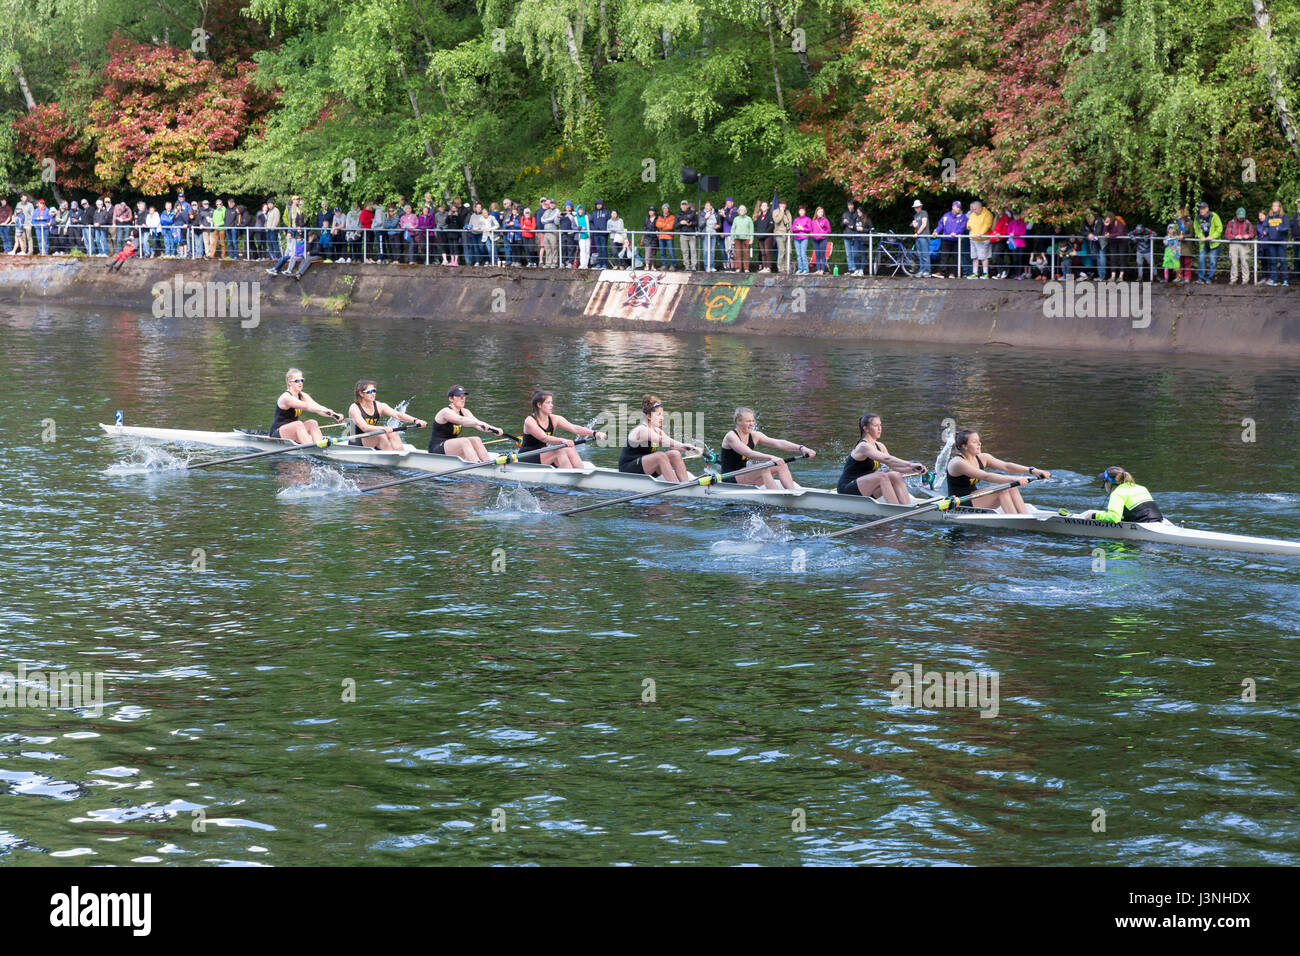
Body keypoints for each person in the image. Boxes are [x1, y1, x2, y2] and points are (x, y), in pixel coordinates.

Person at [945, 429, 1050, 514]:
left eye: (979, 441)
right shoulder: (958, 463)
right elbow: (987, 476)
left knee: (1011, 486)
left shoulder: (983, 457)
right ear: (964, 446)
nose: (979, 443)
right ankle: (1015, 522)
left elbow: (1006, 466)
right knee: (1002, 490)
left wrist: (1033, 470)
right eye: (974, 442)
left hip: (974, 496)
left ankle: (1025, 518)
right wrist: (1016, 478)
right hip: (959, 503)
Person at [836, 412, 925, 504]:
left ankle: (907, 507)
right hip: (847, 489)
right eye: (875, 426)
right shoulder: (863, 446)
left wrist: (914, 469)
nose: (879, 429)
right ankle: (894, 510)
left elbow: (894, 466)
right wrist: (911, 464)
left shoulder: (880, 446)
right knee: (882, 476)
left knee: (895, 475)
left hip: (866, 488)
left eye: (880, 425)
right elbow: (887, 459)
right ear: (866, 429)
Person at [720, 407, 814, 489]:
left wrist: (801, 448)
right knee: (764, 467)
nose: (752, 424)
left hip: (746, 475)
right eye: (748, 421)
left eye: (753, 421)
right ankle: (776, 499)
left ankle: (792, 494)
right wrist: (771, 457)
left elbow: (779, 443)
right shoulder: (731, 436)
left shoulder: (755, 435)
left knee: (782, 464)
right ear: (738, 421)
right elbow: (749, 453)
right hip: (729, 478)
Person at [618, 394, 702, 481]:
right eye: (658, 415)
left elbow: (672, 446)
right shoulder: (642, 430)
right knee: (660, 456)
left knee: (675, 454)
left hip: (645, 468)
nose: (662, 418)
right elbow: (663, 440)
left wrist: (693, 449)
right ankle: (674, 487)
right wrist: (683, 444)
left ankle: (685, 484)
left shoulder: (657, 431)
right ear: (648, 416)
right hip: (628, 469)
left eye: (662, 415)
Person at [519, 390, 606, 468]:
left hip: (544, 453)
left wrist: (595, 433)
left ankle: (580, 472)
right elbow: (544, 438)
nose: (551, 405)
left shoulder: (554, 419)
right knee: (558, 451)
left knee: (569, 448)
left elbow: (574, 428)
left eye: (551, 402)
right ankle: (569, 478)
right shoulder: (530, 421)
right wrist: (563, 440)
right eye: (548, 403)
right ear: (539, 405)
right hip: (527, 457)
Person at [428, 385, 505, 460]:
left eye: (464, 396)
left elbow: (479, 426)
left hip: (452, 447)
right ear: (451, 399)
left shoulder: (465, 412)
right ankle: (476, 465)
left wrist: (494, 429)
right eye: (459, 396)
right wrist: (478, 423)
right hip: (436, 448)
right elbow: (461, 420)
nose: (463, 399)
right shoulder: (445, 412)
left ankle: (487, 463)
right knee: (464, 441)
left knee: (476, 439)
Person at [346, 380, 426, 450]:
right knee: (381, 434)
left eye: (374, 391)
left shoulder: (380, 405)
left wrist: (416, 420)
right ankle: (392, 458)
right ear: (361, 394)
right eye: (369, 392)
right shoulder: (354, 408)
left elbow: (398, 415)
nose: (373, 394)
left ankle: (400, 454)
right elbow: (365, 427)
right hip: (356, 441)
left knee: (393, 432)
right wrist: (384, 428)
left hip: (371, 439)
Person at [270, 368, 344, 442]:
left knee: (312, 423)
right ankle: (309, 448)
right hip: (277, 433)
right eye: (297, 381)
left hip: (294, 430)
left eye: (302, 380)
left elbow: (318, 407)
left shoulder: (303, 396)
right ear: (289, 382)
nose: (300, 383)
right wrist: (322, 409)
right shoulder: (286, 398)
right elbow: (307, 406)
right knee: (298, 424)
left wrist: (334, 414)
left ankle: (320, 447)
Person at [1082, 467, 1164, 523]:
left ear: (1110, 482)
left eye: (1104, 481)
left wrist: (1094, 516)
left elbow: (1114, 518)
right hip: (1159, 520)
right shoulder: (1141, 487)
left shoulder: (1117, 493)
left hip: (1144, 525)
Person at [1192, 201, 1223, 284]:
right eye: (1200, 209)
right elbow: (1197, 229)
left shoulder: (1214, 216)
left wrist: (1212, 236)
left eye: (1203, 208)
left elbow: (1219, 228)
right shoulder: (1197, 218)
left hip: (1214, 243)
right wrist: (1201, 236)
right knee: (1201, 259)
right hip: (1203, 243)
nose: (1201, 210)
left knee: (1212, 261)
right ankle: (1201, 278)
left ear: (1207, 209)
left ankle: (1210, 278)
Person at [1224, 207, 1254, 285]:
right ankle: (1233, 279)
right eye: (1240, 216)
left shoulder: (1247, 222)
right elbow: (1227, 234)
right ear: (1236, 215)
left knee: (1245, 262)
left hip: (1244, 244)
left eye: (1243, 216)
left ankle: (1245, 280)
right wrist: (1235, 237)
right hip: (1233, 243)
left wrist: (1248, 236)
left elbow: (1252, 234)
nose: (1241, 218)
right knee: (1233, 262)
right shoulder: (1231, 222)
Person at [966, 200, 994, 278]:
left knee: (984, 257)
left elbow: (987, 225)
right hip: (973, 238)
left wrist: (981, 233)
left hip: (983, 239)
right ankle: (974, 273)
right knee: (974, 257)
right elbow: (969, 222)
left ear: (980, 207)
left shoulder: (987, 214)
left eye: (975, 209)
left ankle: (985, 273)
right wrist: (968, 226)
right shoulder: (973, 214)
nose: (974, 211)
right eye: (973, 209)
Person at [730, 204, 754, 273]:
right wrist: (732, 239)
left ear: (745, 211)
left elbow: (751, 229)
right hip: (737, 238)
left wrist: (751, 239)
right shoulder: (736, 219)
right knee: (737, 254)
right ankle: (738, 268)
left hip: (746, 238)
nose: (742, 211)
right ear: (738, 211)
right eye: (740, 210)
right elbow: (733, 229)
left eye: (743, 210)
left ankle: (746, 268)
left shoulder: (749, 219)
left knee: (746, 254)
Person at [911, 200, 931, 277]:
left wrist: (917, 233)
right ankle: (922, 270)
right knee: (920, 255)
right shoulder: (915, 216)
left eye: (918, 207)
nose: (916, 208)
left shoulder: (924, 213)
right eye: (915, 207)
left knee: (925, 254)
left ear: (921, 207)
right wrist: (914, 226)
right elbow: (916, 228)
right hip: (918, 237)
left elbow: (924, 224)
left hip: (924, 236)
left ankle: (927, 271)